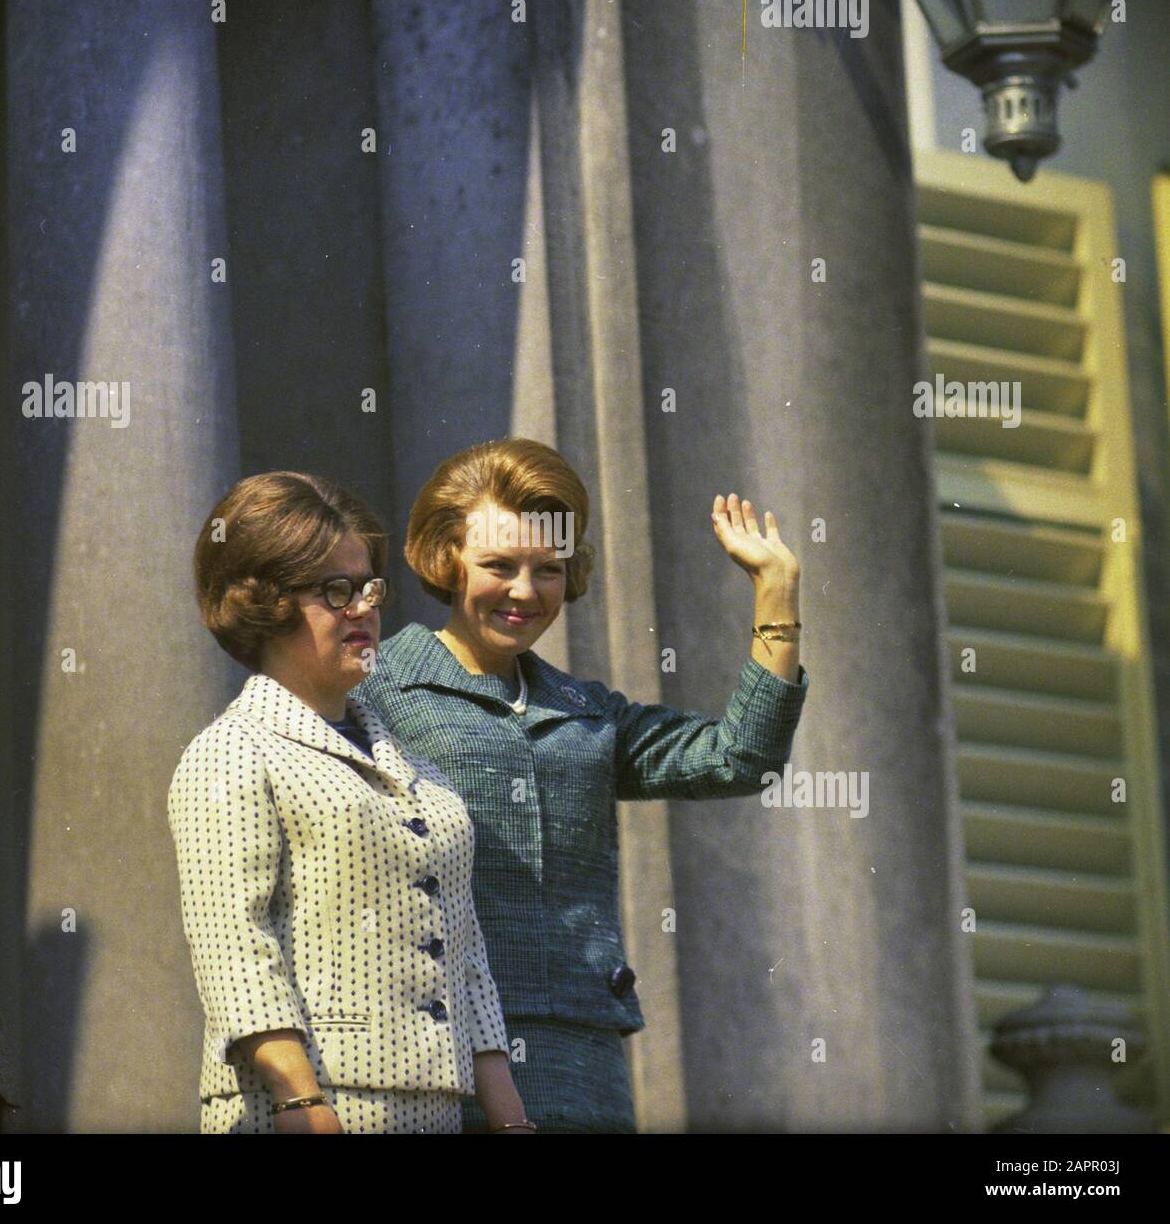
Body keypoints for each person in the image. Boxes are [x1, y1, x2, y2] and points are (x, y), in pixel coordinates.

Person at [352, 437, 809, 1132]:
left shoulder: (587, 711)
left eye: (549, 569)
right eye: (499, 565)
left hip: (584, 1058)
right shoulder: (373, 687)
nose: (524, 591)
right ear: (446, 557)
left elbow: (742, 757)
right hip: (432, 1051)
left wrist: (775, 591)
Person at [169, 471, 533, 1133]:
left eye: (369, 587)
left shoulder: (414, 766)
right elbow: (235, 948)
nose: (364, 607)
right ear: (266, 601)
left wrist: (509, 1119)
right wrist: (302, 1101)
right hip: (305, 1110)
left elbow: (465, 956)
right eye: (337, 590)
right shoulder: (234, 751)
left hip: (433, 1109)